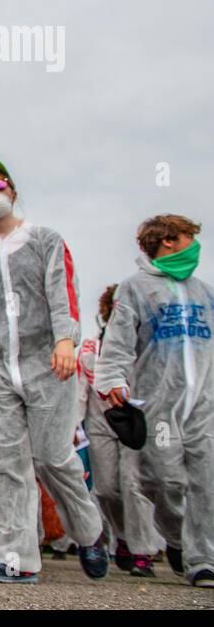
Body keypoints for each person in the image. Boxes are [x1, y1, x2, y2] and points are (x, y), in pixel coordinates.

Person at [0, 157, 108, 584]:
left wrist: (65, 339)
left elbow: (64, 292)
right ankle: (17, 560)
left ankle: (90, 534)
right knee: (5, 460)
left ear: (13, 189)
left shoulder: (45, 240)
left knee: (55, 458)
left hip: (47, 363)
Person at [93, 214, 214, 589]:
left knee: (204, 481)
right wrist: (112, 378)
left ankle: (203, 559)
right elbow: (117, 340)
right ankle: (177, 539)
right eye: (187, 239)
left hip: (203, 404)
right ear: (167, 243)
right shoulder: (134, 289)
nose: (194, 246)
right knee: (164, 481)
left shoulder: (204, 292)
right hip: (159, 404)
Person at [80, 285, 164, 576]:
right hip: (100, 421)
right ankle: (123, 537)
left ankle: (143, 552)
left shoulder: (145, 349)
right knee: (106, 490)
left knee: (134, 485)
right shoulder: (92, 349)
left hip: (134, 421)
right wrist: (73, 426)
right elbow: (81, 389)